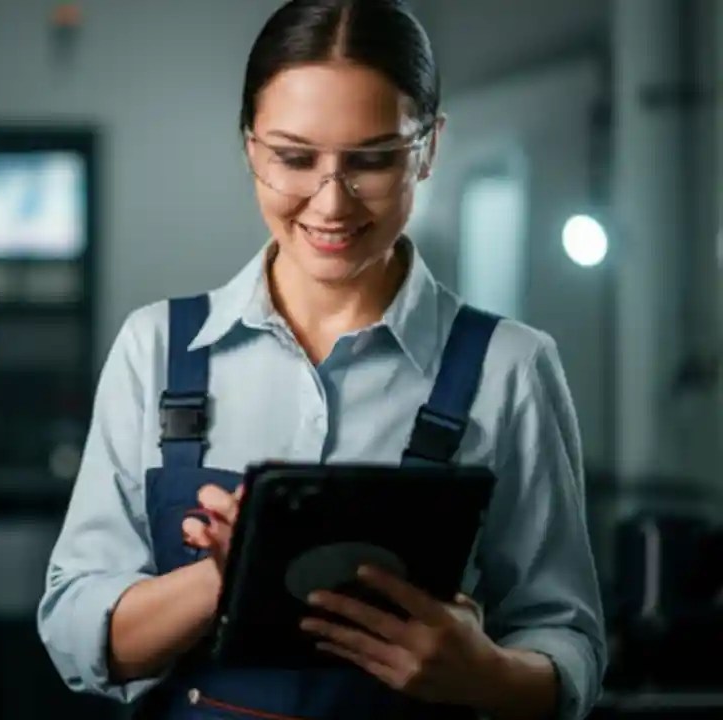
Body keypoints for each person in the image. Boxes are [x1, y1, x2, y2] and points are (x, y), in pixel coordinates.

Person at [36, 0, 607, 718]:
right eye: (294, 158)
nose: (331, 203)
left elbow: (568, 639)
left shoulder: (510, 369)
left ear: (429, 148)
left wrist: (485, 673)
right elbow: (76, 632)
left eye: (372, 159)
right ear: (250, 147)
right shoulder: (155, 352)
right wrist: (229, 575)